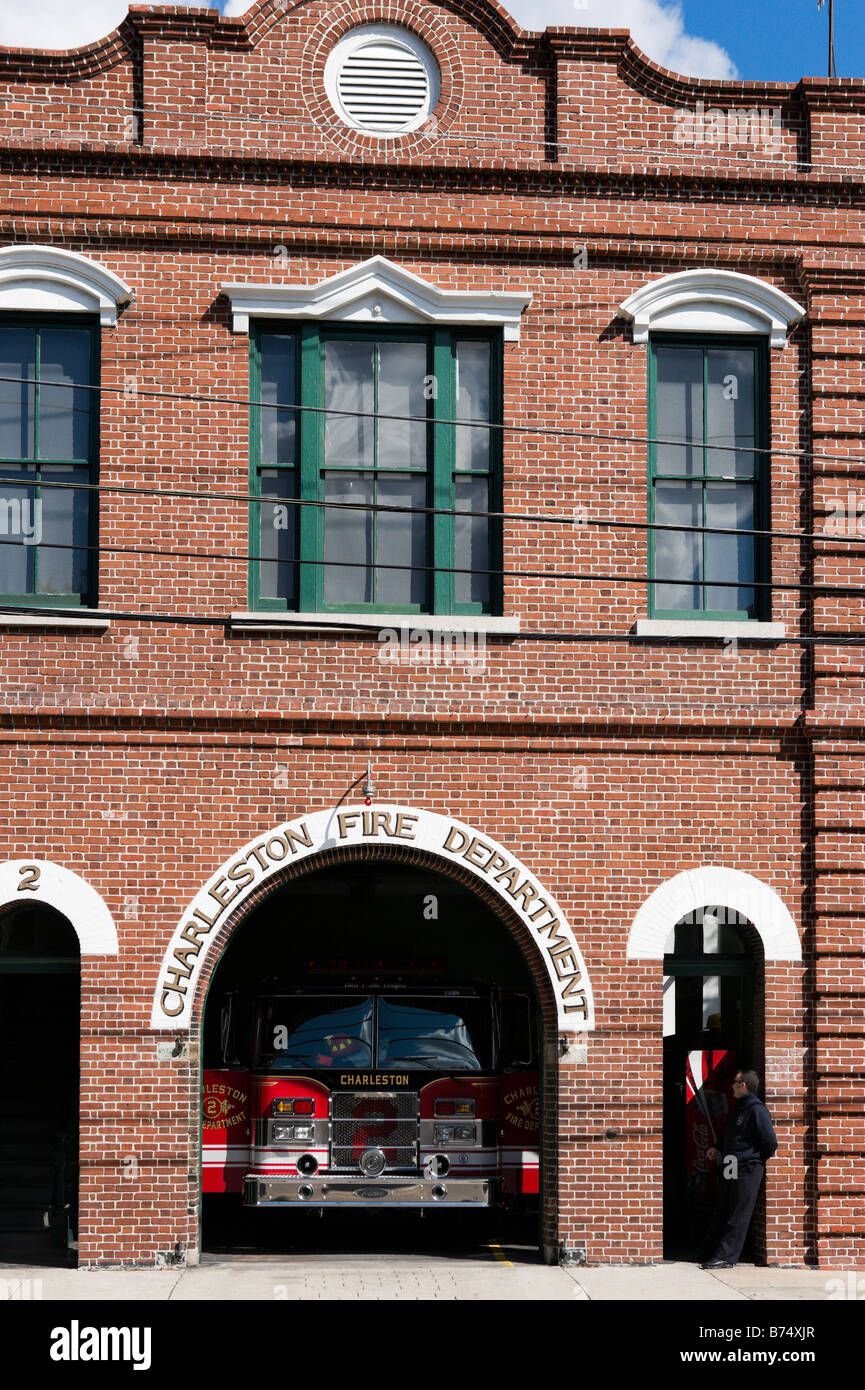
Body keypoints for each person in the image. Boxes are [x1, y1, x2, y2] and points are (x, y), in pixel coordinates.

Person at [699, 1069, 778, 1269]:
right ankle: (713, 1251)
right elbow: (732, 1136)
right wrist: (717, 1147)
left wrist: (754, 1159)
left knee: (738, 1212)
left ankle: (727, 1257)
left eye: (734, 1082)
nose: (731, 1086)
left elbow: (770, 1141)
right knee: (724, 1207)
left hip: (747, 1168)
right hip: (730, 1164)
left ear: (743, 1085)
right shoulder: (739, 1108)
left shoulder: (756, 1109)